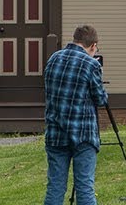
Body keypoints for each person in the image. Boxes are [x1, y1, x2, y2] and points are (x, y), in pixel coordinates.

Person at [43, 25, 108, 205]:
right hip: (83, 134)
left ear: (75, 39)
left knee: (55, 186)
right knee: (84, 187)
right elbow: (100, 99)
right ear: (93, 45)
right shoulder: (91, 64)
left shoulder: (53, 59)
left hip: (55, 133)